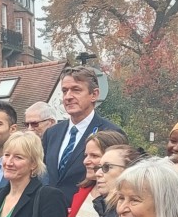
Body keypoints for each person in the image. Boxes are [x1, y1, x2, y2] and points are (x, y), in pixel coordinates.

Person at [41, 66, 120, 196]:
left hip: (88, 206)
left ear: (94, 94)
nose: (68, 97)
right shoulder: (51, 133)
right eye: (64, 91)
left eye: (76, 90)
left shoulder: (111, 133)